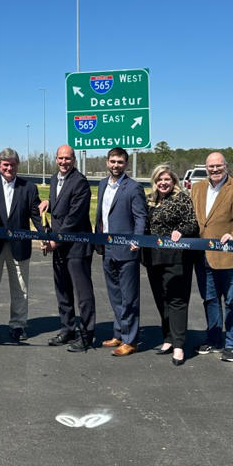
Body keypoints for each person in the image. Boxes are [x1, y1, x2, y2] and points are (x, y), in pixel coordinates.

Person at [191, 151, 233, 362]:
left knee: (232, 301)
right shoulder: (197, 188)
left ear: (225, 166)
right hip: (203, 256)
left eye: (218, 166)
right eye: (211, 166)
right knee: (210, 300)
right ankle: (214, 339)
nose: (215, 169)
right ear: (206, 168)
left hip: (230, 256)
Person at [0, 148, 43, 343]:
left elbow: (36, 215)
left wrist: (45, 235)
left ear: (17, 165)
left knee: (20, 288)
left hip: (19, 246)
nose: (9, 168)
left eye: (12, 165)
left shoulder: (29, 187)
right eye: (5, 165)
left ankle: (18, 325)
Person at [142, 164, 199, 367]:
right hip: (153, 256)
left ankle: (179, 344)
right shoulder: (150, 199)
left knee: (176, 299)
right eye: (159, 179)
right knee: (161, 298)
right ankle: (167, 337)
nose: (163, 183)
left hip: (177, 256)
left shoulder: (181, 198)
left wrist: (181, 231)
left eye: (167, 179)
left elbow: (193, 223)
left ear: (173, 181)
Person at [42, 145, 96, 353]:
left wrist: (56, 241)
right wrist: (48, 203)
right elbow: (60, 206)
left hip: (76, 246)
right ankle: (68, 330)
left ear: (74, 160)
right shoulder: (54, 179)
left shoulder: (80, 182)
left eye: (67, 158)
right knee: (62, 291)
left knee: (83, 294)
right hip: (60, 246)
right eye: (60, 158)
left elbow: (74, 216)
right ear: (56, 159)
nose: (63, 162)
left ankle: (87, 335)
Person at [95, 148, 147, 357]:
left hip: (127, 250)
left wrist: (137, 240)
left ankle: (130, 340)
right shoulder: (102, 184)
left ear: (125, 164)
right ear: (107, 162)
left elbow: (140, 217)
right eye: (113, 161)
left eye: (120, 162)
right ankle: (119, 333)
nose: (116, 165)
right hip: (107, 248)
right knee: (115, 295)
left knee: (129, 297)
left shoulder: (133, 187)